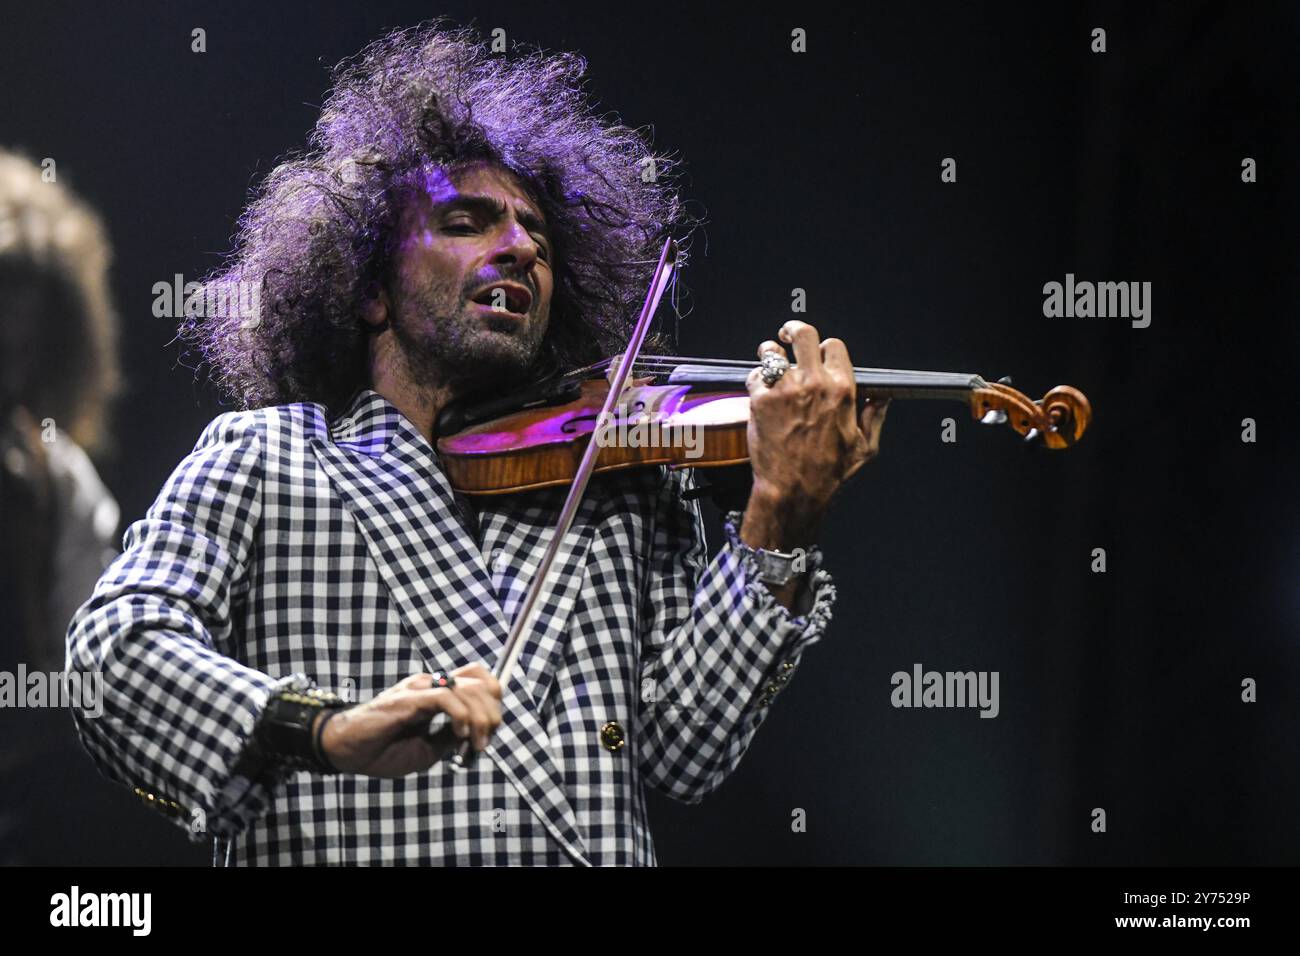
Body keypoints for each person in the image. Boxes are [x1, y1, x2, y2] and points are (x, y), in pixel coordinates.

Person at [66, 21, 888, 866]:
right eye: (469, 221)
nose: (524, 246)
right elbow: (111, 658)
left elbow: (688, 751)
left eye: (537, 233)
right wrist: (325, 729)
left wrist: (782, 514)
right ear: (369, 289)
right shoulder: (265, 456)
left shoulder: (620, 480)